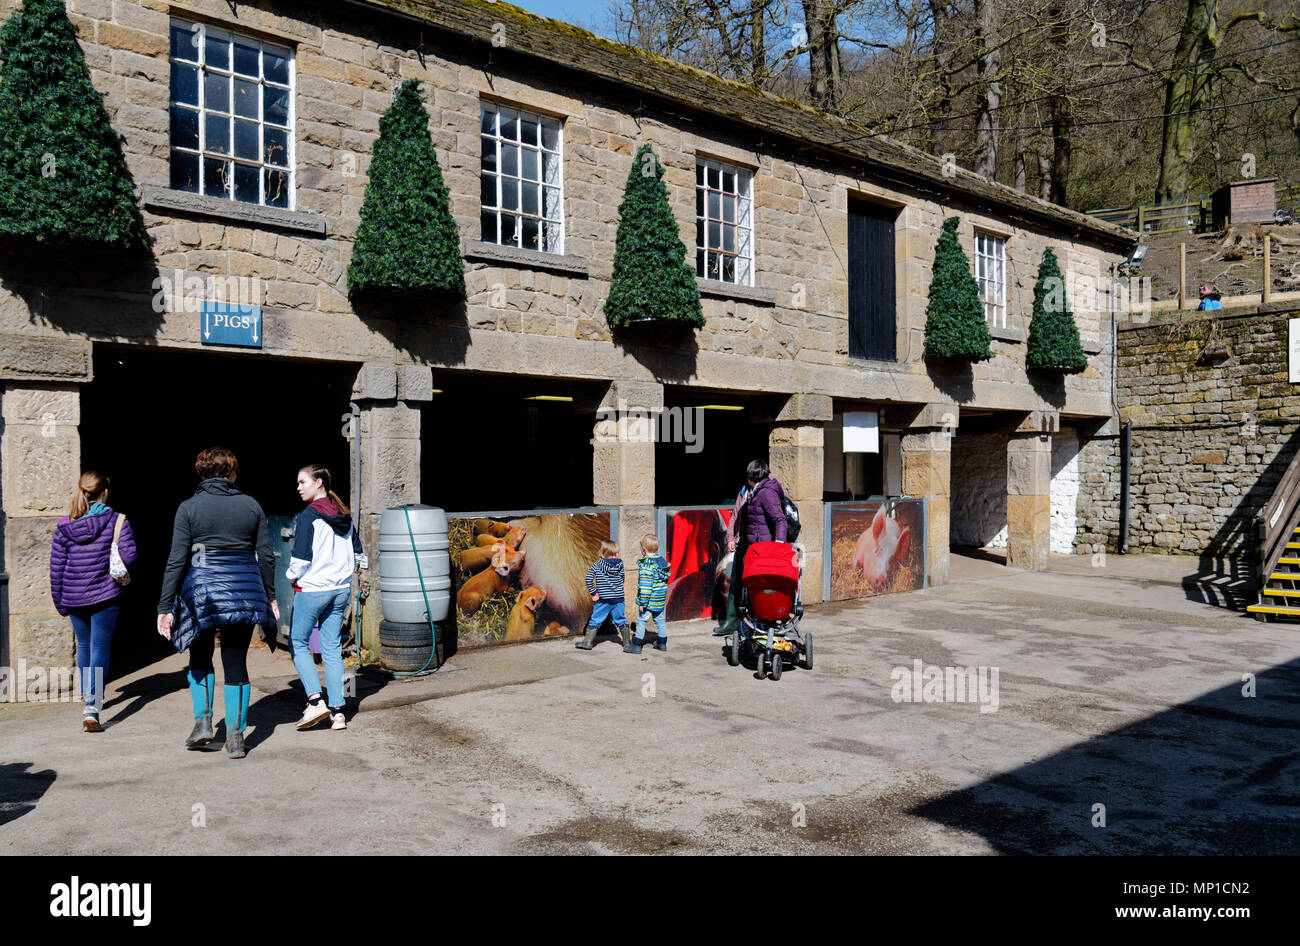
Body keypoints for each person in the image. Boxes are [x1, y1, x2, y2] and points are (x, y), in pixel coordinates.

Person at [157, 447, 278, 759]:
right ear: (231, 474)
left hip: (201, 595)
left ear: (201, 474)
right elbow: (265, 555)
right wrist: (271, 596)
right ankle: (236, 737)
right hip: (243, 592)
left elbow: (176, 560)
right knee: (236, 663)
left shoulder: (188, 508)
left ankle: (203, 724)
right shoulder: (251, 505)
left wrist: (164, 607)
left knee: (200, 657)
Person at [49, 471, 138, 732]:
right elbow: (129, 557)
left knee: (85, 647)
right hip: (106, 594)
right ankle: (92, 707)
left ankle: (87, 697)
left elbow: (56, 568)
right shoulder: (117, 520)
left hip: (74, 596)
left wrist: (59, 601)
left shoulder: (65, 525)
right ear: (105, 492)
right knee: (100, 648)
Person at [285, 464, 361, 732]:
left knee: (298, 642)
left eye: (302, 481)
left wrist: (290, 575)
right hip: (341, 590)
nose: (298, 487)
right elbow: (359, 555)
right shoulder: (344, 514)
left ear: (318, 482)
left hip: (313, 589)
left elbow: (301, 558)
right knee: (330, 648)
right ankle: (338, 712)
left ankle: (316, 701)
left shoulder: (308, 516)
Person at [714, 459, 788, 636]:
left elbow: (779, 519)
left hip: (760, 548)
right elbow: (736, 514)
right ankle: (732, 621)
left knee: (757, 585)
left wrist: (778, 545)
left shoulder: (767, 492)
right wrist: (732, 537)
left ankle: (755, 623)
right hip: (745, 544)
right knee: (737, 582)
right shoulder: (747, 490)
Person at [576, 540, 629, 650]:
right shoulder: (620, 564)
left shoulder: (597, 565)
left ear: (602, 554)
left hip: (603, 599)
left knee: (596, 619)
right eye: (616, 553)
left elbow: (589, 578)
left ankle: (588, 642)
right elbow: (622, 578)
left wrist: (594, 592)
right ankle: (627, 644)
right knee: (621, 619)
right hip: (618, 599)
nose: (618, 555)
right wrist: (616, 589)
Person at [626, 533, 670, 654]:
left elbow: (646, 587)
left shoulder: (647, 565)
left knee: (641, 621)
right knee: (660, 621)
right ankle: (662, 643)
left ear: (644, 550)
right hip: (660, 600)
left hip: (649, 601)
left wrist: (643, 602)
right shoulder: (662, 562)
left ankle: (637, 645)